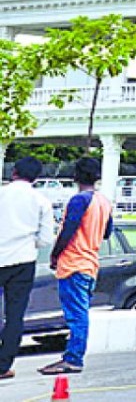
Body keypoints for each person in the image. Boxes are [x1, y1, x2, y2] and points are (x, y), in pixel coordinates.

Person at [38, 157, 113, 376]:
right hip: (90, 263)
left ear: (76, 176)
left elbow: (67, 230)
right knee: (79, 312)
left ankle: (73, 358)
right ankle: (72, 356)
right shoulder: (104, 202)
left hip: (73, 263)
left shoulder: (79, 200)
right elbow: (107, 232)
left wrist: (54, 255)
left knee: (76, 315)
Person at [0, 157, 56, 381]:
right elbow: (45, 240)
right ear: (36, 178)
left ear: (14, 172)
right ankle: (3, 365)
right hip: (23, 261)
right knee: (15, 315)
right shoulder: (41, 201)